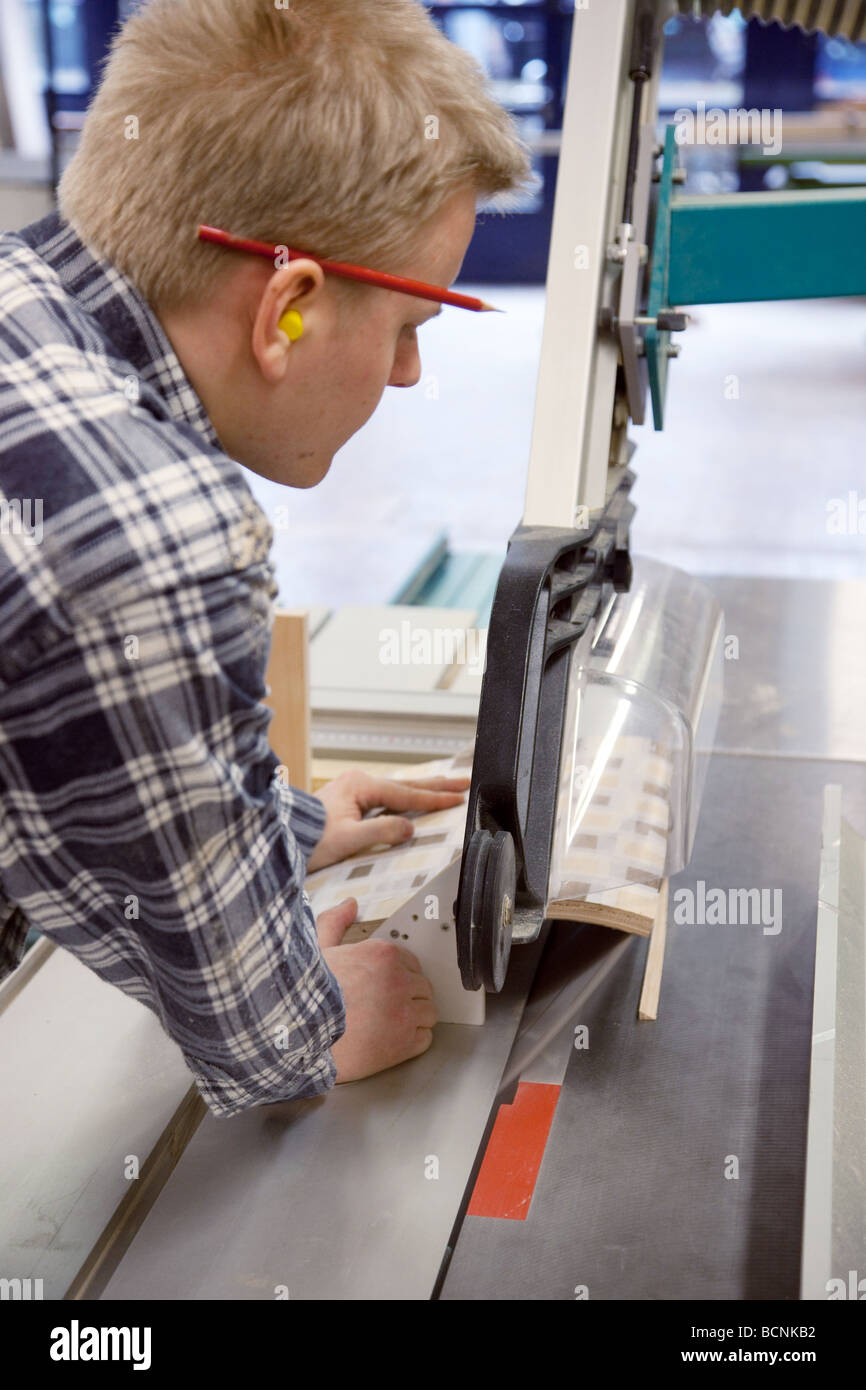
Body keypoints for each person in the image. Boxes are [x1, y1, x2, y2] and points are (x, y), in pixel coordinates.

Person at [0, 0, 529, 1116]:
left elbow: (62, 755)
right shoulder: (153, 532)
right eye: (408, 326)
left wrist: (285, 824)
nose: (407, 379)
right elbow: (261, 1043)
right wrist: (319, 1022)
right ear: (286, 308)